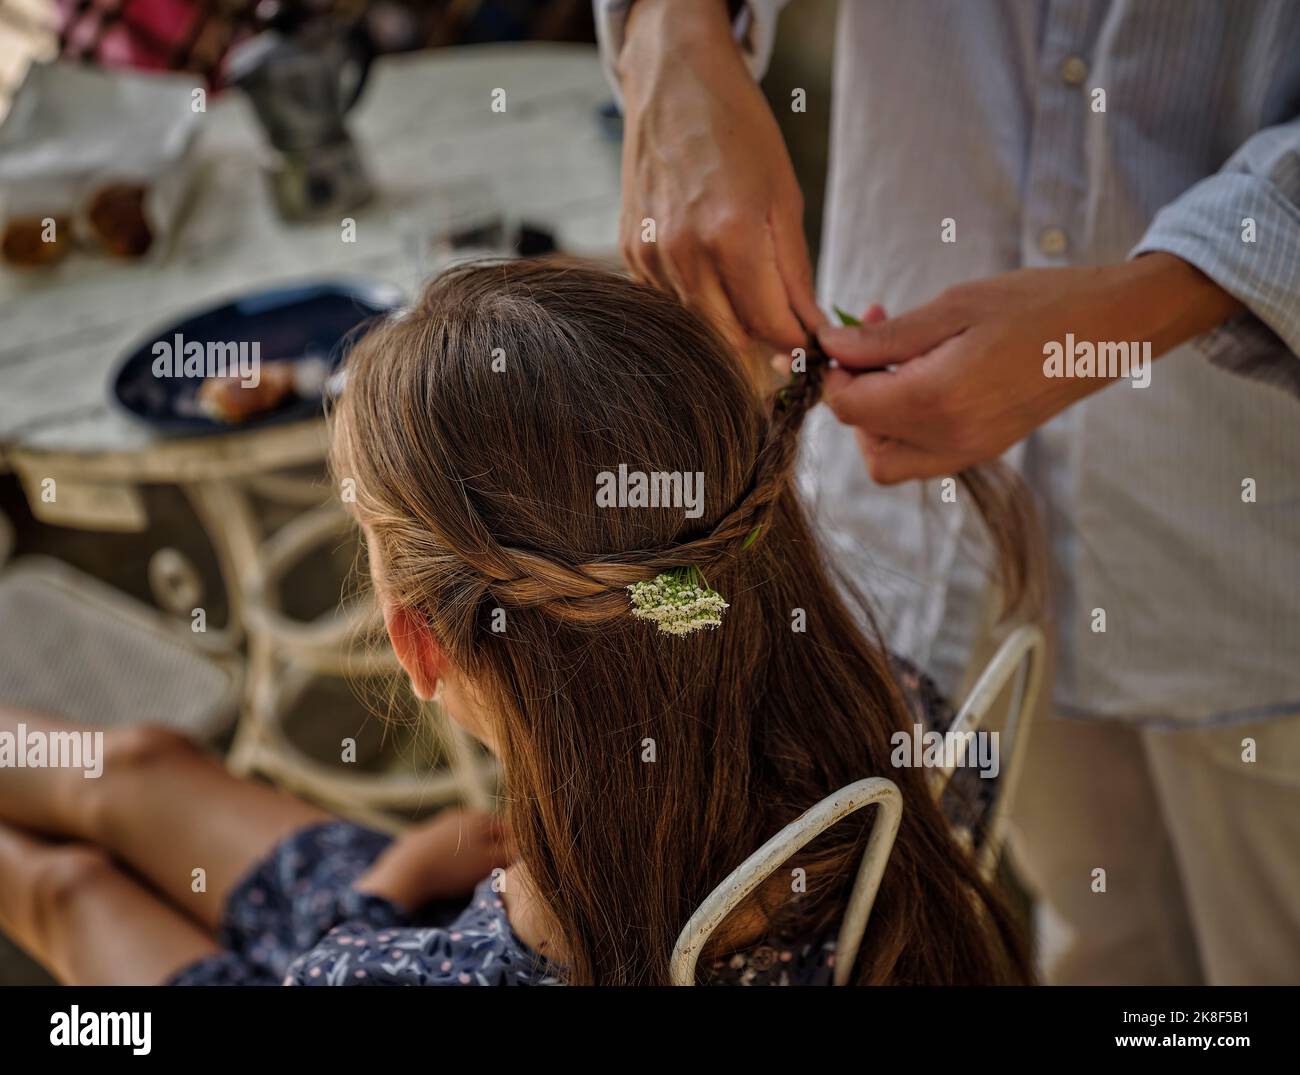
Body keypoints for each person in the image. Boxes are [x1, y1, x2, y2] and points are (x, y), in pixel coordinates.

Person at [0, 260, 1029, 986]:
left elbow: (371, 961)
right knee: (135, 765)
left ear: (416, 644)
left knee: (69, 892)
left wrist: (386, 893)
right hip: (484, 928)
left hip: (415, 934)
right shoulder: (911, 725)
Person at [597, 0, 1300, 983]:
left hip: (1249, 527)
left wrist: (1143, 309)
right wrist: (673, 33)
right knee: (1097, 931)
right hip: (943, 544)